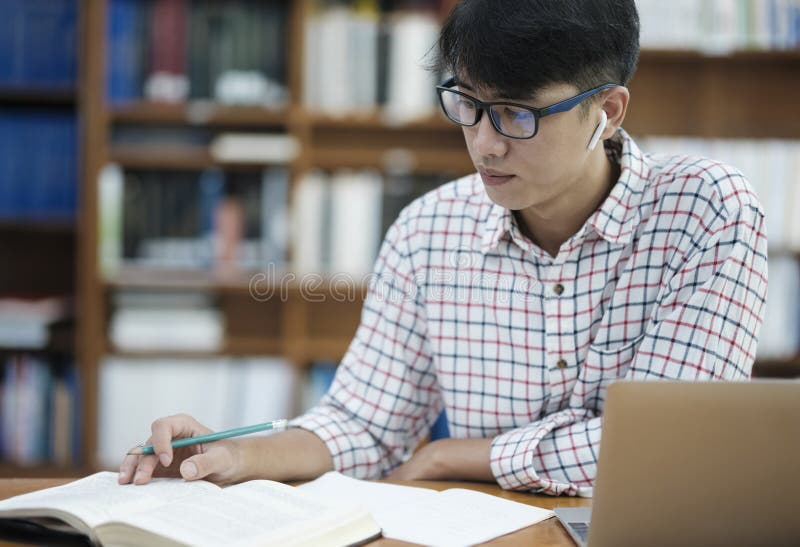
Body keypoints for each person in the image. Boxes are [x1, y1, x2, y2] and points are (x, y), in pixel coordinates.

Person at [120, 0, 767, 496]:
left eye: (517, 114)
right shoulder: (428, 231)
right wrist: (234, 457)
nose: (484, 143)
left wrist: (460, 454)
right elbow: (367, 424)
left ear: (608, 109)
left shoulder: (705, 213)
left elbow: (663, 451)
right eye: (467, 103)